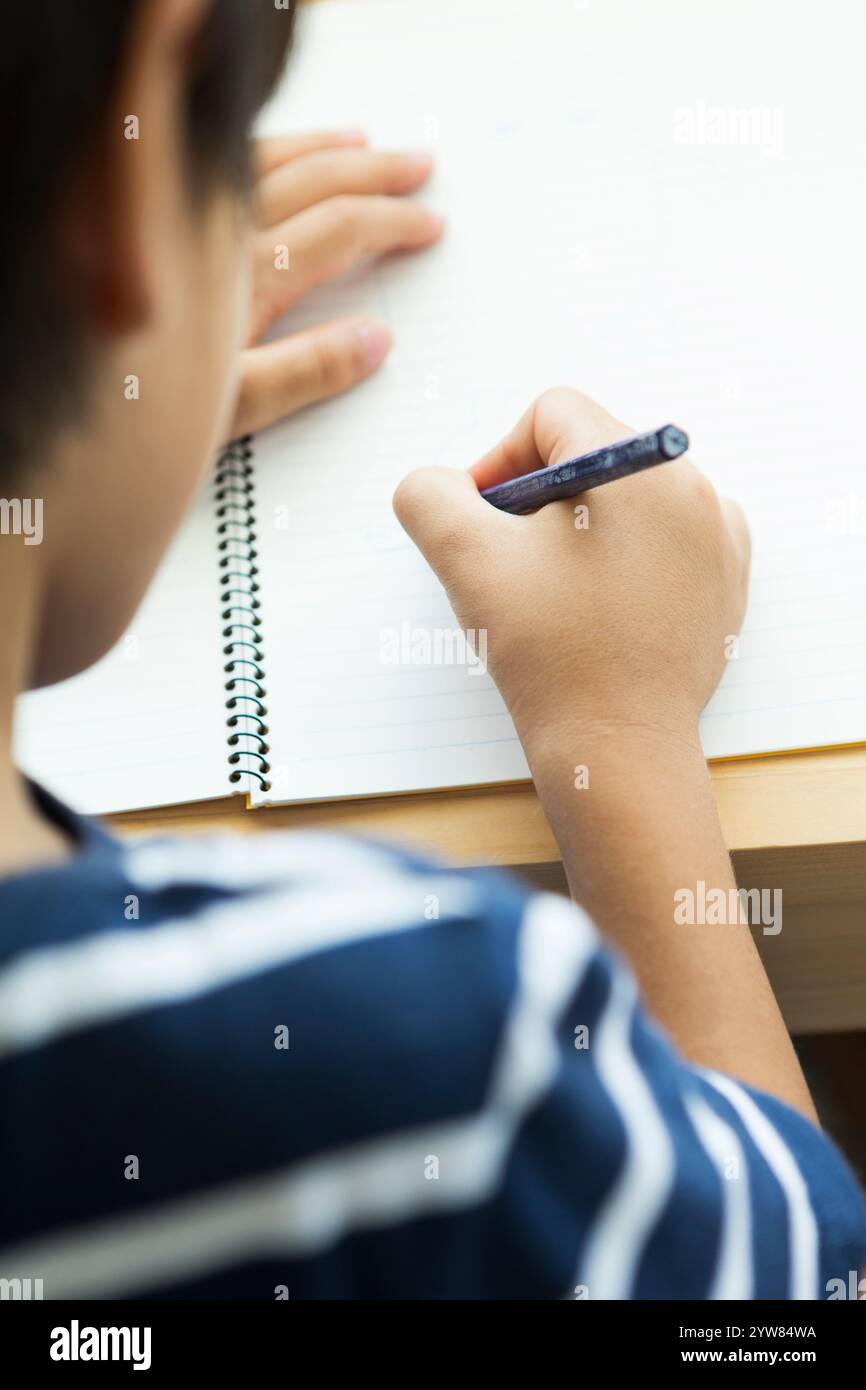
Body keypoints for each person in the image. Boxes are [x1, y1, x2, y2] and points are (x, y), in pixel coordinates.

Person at [0, 0, 862, 1300]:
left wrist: (87, 381)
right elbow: (788, 1296)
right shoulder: (429, 1058)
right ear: (120, 178)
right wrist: (616, 737)